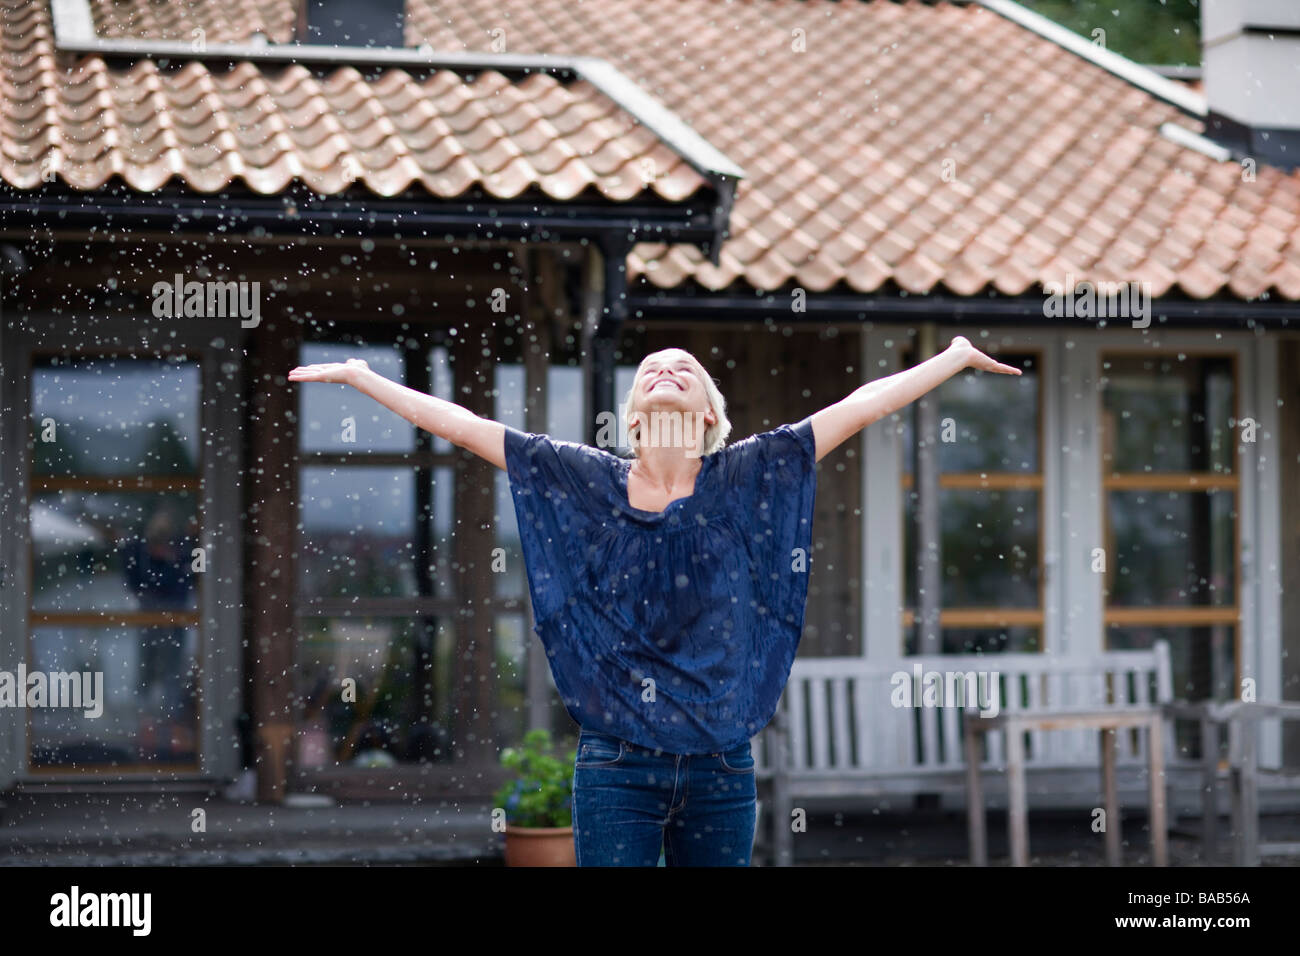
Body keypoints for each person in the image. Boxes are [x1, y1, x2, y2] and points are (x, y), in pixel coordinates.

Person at [289, 335, 1019, 865]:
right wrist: (364, 377)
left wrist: (951, 357)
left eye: (686, 370)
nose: (668, 372)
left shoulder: (747, 474)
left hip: (721, 765)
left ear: (707, 413)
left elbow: (858, 407)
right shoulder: (585, 479)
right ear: (635, 415)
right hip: (617, 765)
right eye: (652, 370)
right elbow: (465, 427)